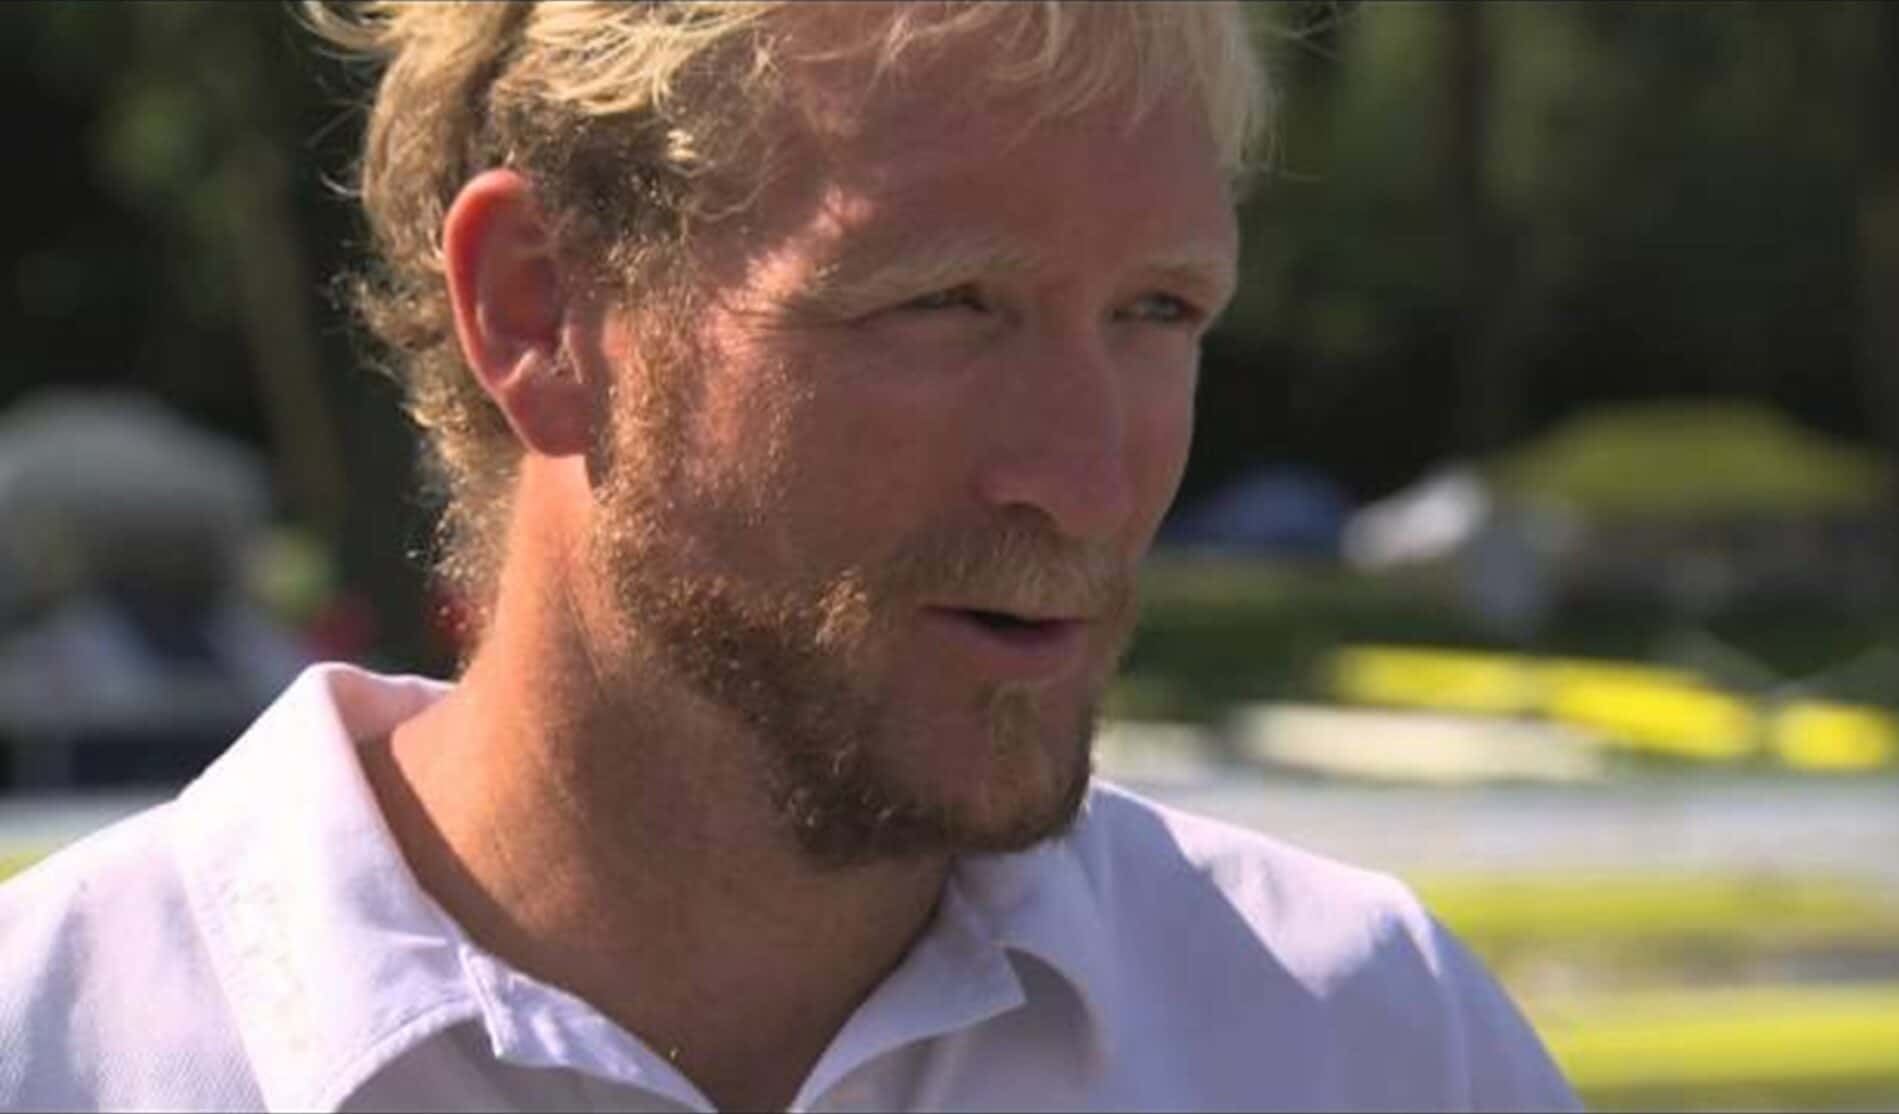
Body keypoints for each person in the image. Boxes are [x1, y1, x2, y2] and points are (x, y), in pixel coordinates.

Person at [0, 4, 1578, 1110]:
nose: (1089, 479)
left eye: (1159, 311)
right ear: (541, 310)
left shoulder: (1368, 1042)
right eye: (945, 302)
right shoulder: (62, 1049)